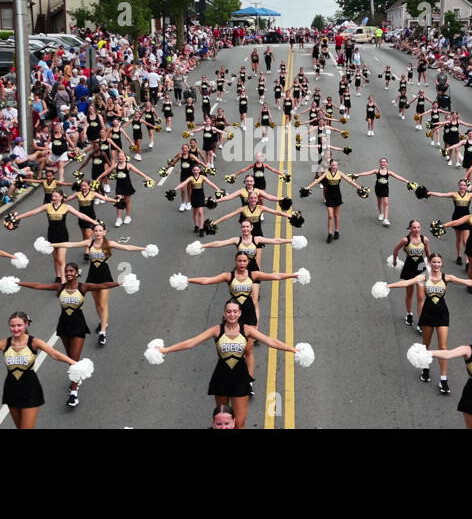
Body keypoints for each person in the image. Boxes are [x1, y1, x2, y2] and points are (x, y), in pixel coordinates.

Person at [153, 299, 300, 429]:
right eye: (229, 311)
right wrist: (166, 350)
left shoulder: (247, 330)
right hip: (221, 377)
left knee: (239, 423)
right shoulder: (217, 330)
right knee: (223, 420)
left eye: (235, 311)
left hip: (240, 378)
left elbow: (271, 341)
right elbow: (191, 342)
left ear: (240, 313)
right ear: (224, 313)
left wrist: (294, 349)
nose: (232, 314)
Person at [185, 254, 301, 385]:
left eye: (244, 261)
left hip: (249, 314)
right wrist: (187, 280)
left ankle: (249, 381)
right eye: (239, 261)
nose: (242, 263)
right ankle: (228, 372)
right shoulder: (228, 276)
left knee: (248, 349)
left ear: (248, 262)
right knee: (228, 342)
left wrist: (294, 275)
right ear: (235, 261)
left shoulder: (254, 275)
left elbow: (276, 276)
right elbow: (207, 280)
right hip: (233, 313)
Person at [18, 264, 119, 407]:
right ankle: (76, 379)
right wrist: (18, 283)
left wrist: (120, 283)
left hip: (78, 326)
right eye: (66, 271)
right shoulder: (60, 287)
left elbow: (103, 285)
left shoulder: (83, 287)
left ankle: (73, 393)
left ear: (77, 273)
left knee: (74, 360)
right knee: (69, 359)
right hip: (64, 325)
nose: (68, 273)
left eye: (71, 271)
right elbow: (37, 286)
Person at [386, 253, 472, 392]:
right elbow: (406, 282)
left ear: (442, 264)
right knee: (426, 344)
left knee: (443, 347)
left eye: (438, 262)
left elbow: (467, 281)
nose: (436, 264)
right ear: (429, 263)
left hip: (442, 314)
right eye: (433, 262)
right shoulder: (423, 277)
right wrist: (388, 286)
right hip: (427, 313)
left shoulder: (447, 278)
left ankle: (443, 379)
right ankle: (425, 368)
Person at [49, 222, 150, 347]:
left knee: (103, 304)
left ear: (104, 232)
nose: (97, 233)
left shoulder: (109, 244)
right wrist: (51, 244)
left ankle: (103, 332)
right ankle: (102, 322)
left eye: (100, 230)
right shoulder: (89, 243)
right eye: (95, 231)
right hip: (92, 276)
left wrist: (144, 249)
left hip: (104, 276)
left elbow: (127, 247)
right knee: (97, 304)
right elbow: (70, 244)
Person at [13, 190, 97, 282]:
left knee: (61, 260)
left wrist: (94, 222)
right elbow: (33, 212)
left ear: (61, 197)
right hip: (52, 236)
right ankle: (58, 276)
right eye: (52, 196)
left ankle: (63, 281)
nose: (53, 198)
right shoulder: (47, 206)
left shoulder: (66, 207)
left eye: (56, 196)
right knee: (56, 259)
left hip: (63, 236)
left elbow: (81, 215)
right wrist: (17, 217)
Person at [425, 180, 472, 266]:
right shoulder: (454, 194)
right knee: (458, 239)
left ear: (466, 186)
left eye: (464, 185)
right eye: (461, 185)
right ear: (458, 186)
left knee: (466, 241)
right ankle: (459, 256)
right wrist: (430, 193)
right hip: (457, 218)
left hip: (467, 220)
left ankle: (467, 261)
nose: (462, 186)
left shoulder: (470, 195)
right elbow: (442, 194)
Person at [303, 160, 362, 243]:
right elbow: (317, 180)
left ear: (337, 166)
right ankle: (330, 234)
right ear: (330, 166)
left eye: (335, 165)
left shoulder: (340, 173)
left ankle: (337, 231)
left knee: (336, 215)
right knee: (330, 216)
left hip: (337, 196)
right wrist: (308, 187)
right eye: (332, 165)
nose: (334, 167)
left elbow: (349, 181)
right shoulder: (326, 173)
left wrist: (359, 187)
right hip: (329, 196)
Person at [390, 221, 431, 327]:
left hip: (421, 268)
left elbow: (427, 252)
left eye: (418, 227)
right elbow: (395, 250)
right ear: (410, 228)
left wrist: (430, 263)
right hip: (409, 268)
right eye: (414, 227)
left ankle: (421, 322)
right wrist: (394, 261)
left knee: (421, 296)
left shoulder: (424, 239)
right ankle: (409, 314)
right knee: (409, 294)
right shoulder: (405, 240)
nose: (416, 229)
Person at [352, 157, 410, 227]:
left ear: (387, 164)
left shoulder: (389, 172)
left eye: (384, 162)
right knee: (379, 202)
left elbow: (398, 177)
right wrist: (358, 174)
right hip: (378, 188)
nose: (383, 163)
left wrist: (406, 181)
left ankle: (386, 219)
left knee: (386, 202)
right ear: (379, 163)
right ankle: (381, 214)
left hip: (385, 189)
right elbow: (367, 173)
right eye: (382, 162)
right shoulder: (377, 171)